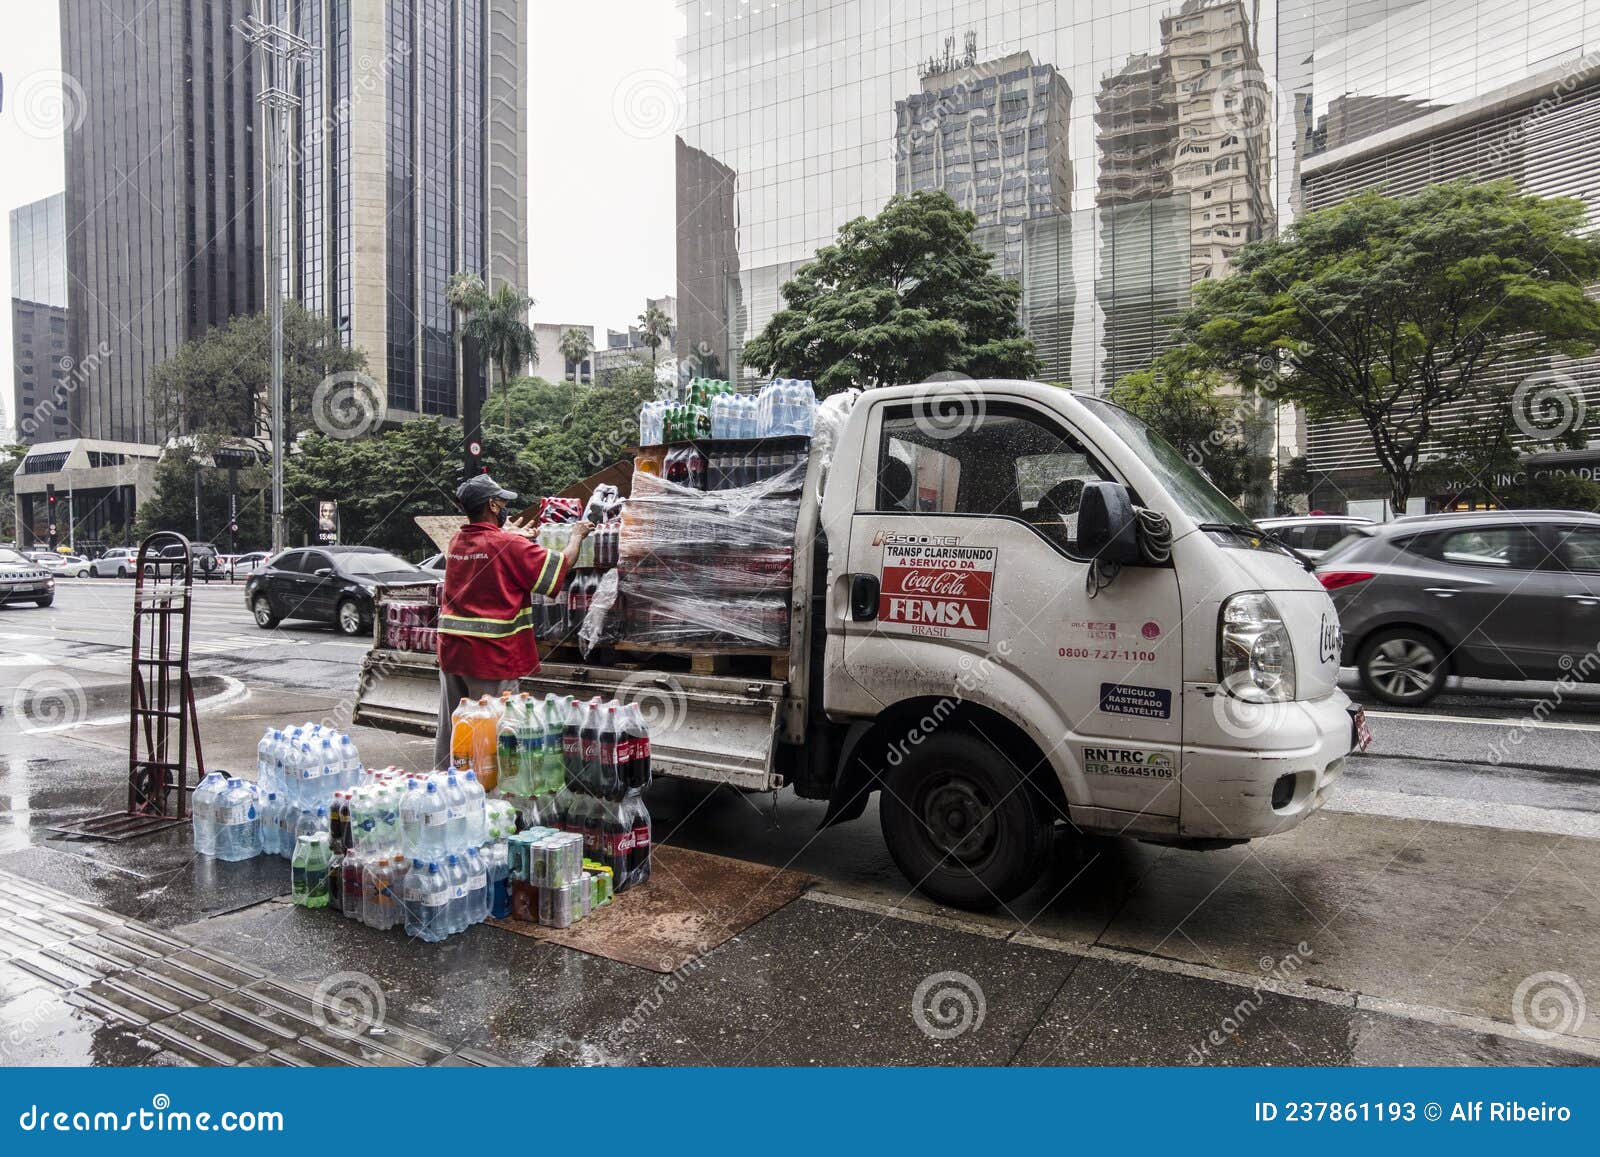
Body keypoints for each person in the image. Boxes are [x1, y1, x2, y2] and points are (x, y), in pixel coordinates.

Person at [433, 474, 590, 770]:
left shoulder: (457, 540)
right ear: (493, 504)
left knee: (455, 727)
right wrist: (577, 536)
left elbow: (491, 552)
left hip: (452, 654)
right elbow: (558, 568)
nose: (505, 507)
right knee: (494, 731)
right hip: (491, 658)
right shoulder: (506, 545)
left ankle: (446, 781)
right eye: (503, 502)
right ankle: (491, 794)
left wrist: (513, 538)